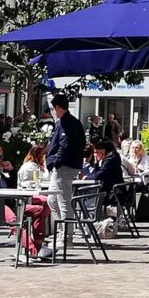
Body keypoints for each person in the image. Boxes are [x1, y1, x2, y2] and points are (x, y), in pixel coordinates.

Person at [39, 94, 85, 262]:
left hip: (64, 167)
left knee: (62, 200)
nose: (53, 111)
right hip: (64, 166)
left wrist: (56, 162)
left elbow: (65, 145)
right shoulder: (68, 122)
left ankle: (66, 237)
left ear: (58, 107)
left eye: (53, 108)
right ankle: (61, 232)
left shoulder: (66, 123)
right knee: (52, 199)